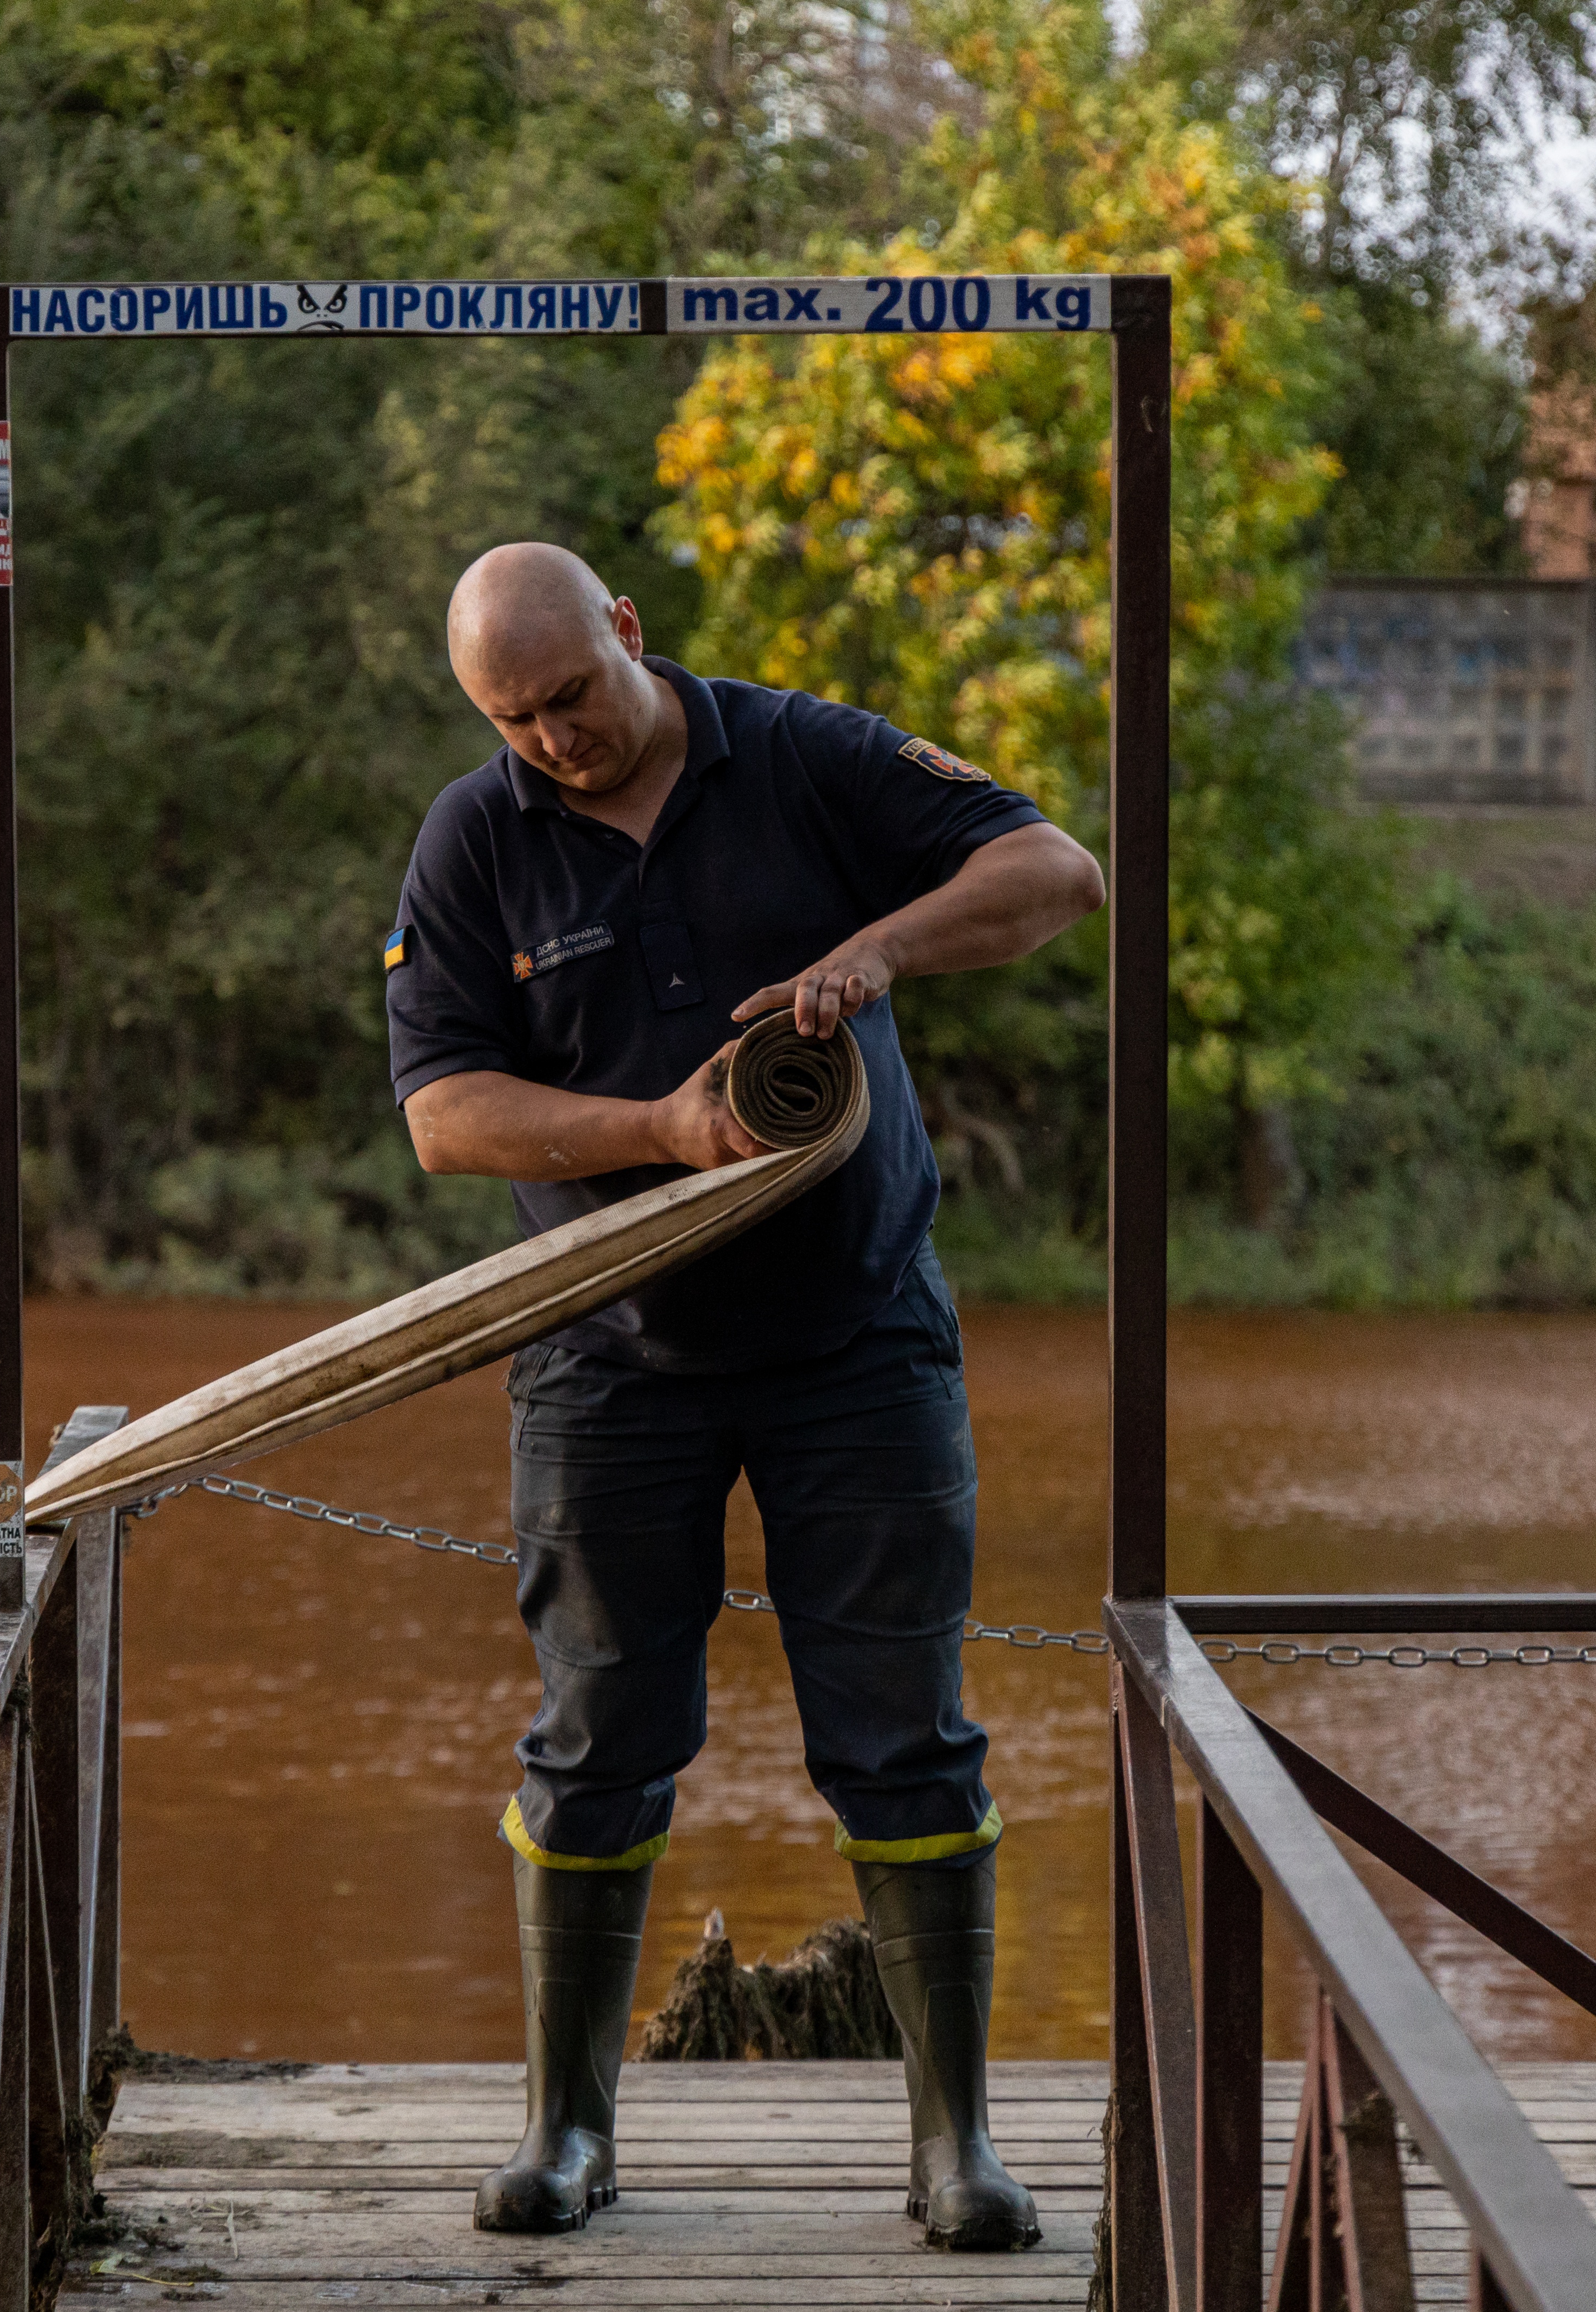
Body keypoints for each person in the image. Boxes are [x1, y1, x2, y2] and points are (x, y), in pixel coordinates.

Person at [384, 541, 1104, 2248]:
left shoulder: (804, 755)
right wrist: (662, 1132)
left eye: (572, 696)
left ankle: (954, 2151)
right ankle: (568, 2137)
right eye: (516, 718)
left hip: (860, 1344)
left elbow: (1053, 872)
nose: (553, 737)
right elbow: (444, 1115)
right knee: (593, 1743)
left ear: (629, 630)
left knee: (907, 1744)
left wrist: (878, 953)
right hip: (604, 1357)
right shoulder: (474, 837)